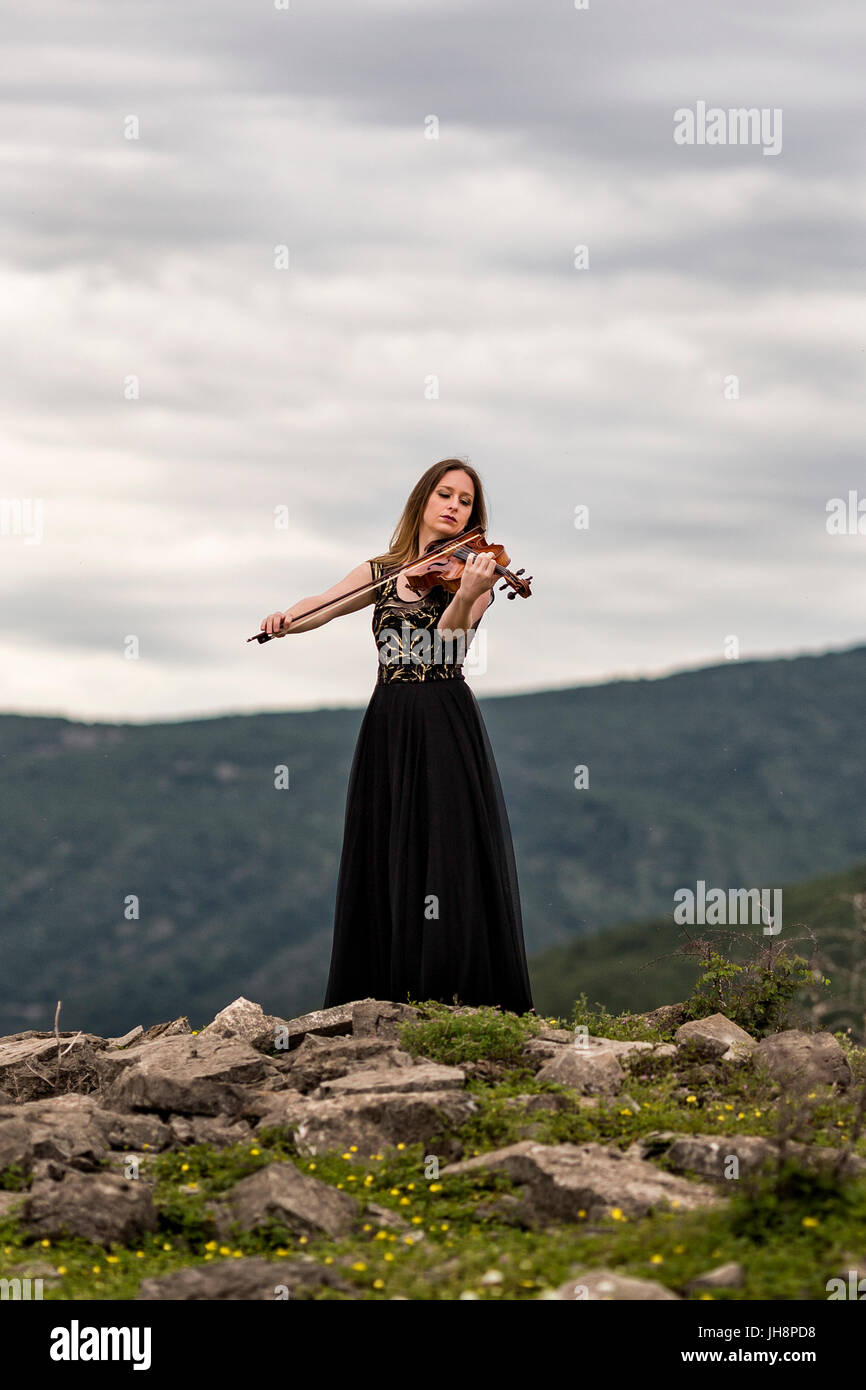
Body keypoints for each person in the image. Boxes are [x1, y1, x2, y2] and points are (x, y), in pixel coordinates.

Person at [260, 458, 534, 1016]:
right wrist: (287, 617)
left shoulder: (474, 575)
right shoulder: (382, 569)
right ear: (423, 501)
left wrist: (468, 592)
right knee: (387, 846)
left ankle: (452, 998)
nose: (454, 506)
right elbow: (326, 604)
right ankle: (385, 993)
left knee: (445, 851)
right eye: (446, 495)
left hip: (442, 718)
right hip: (388, 719)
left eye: (465, 501)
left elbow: (446, 644)